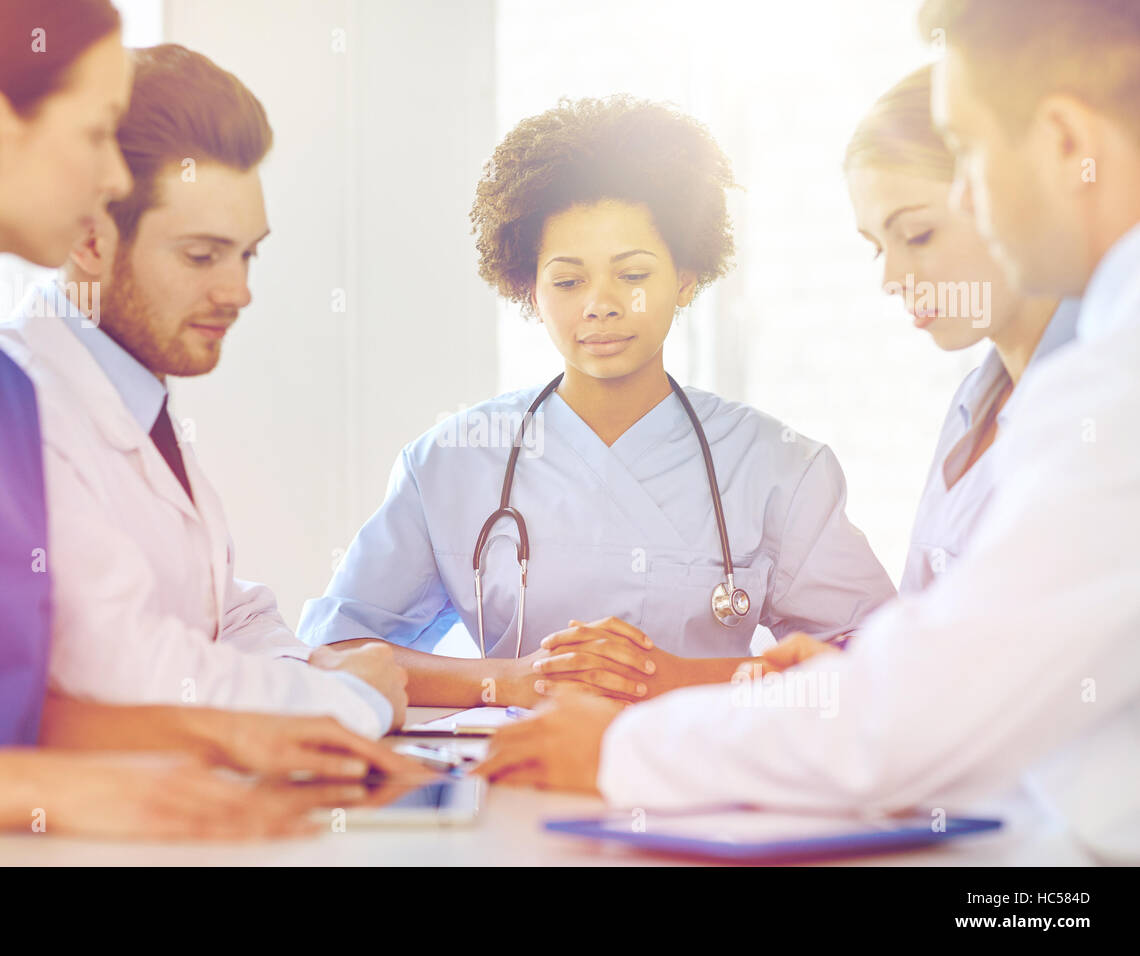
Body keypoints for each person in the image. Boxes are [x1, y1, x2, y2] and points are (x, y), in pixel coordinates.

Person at [479, 0, 1140, 862]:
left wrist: (620, 750)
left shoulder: (1109, 388)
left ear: (1063, 143)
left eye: (967, 156)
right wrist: (837, 688)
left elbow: (925, 710)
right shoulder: (1040, 385)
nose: (968, 193)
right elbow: (953, 665)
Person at [0, 0, 366, 848]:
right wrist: (43, 787)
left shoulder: (2, 392)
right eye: (95, 133)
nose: (115, 180)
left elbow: (0, 713)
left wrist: (227, 735)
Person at [300, 96, 896, 707]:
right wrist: (513, 680)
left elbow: (879, 662)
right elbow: (332, 653)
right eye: (567, 280)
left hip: (704, 783)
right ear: (528, 289)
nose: (600, 304)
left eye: (633, 275)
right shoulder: (450, 463)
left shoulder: (777, 466)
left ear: (686, 277)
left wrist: (671, 680)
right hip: (513, 777)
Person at [0, 43, 408, 739]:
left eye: (248, 253)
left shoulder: (133, 395)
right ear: (90, 240)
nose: (239, 292)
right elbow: (118, 666)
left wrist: (323, 677)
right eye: (202, 255)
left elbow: (227, 614)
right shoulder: (22, 400)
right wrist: (348, 703)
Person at [846, 65, 1078, 596]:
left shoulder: (1103, 394)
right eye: (879, 247)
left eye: (918, 235)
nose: (891, 279)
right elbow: (925, 633)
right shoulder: (972, 404)